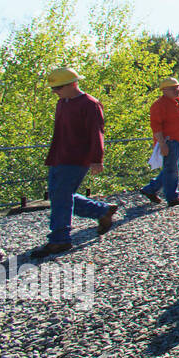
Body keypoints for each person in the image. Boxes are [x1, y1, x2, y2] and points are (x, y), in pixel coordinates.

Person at [32, 68, 117, 258]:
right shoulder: (62, 102)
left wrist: (97, 159)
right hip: (59, 157)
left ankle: (59, 240)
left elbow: (97, 133)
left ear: (73, 84)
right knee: (58, 195)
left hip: (77, 158)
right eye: (53, 88)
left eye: (58, 87)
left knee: (61, 197)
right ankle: (101, 210)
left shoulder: (90, 104)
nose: (55, 91)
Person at [139, 76, 179, 206]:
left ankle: (150, 190)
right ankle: (172, 197)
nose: (176, 90)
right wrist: (162, 144)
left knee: (175, 167)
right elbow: (156, 126)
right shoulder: (159, 105)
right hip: (170, 142)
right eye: (173, 88)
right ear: (164, 90)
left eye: (177, 87)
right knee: (171, 169)